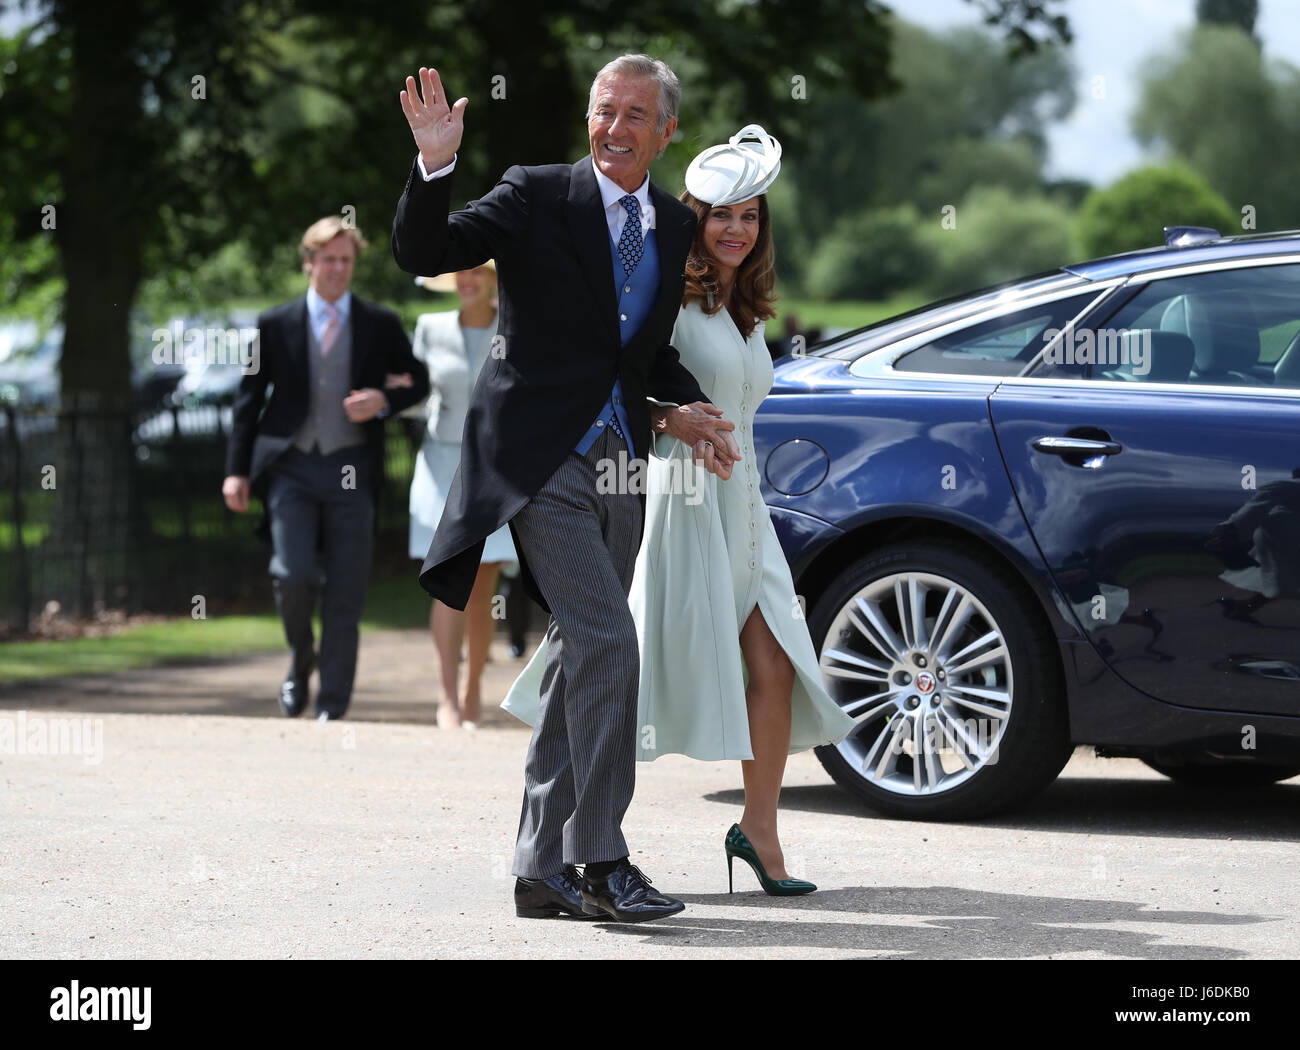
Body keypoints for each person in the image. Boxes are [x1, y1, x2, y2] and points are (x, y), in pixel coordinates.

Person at [392, 55, 741, 923]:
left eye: (635, 116)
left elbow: (639, 352)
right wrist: (435, 166)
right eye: (603, 110)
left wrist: (684, 405)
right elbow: (424, 250)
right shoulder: (535, 194)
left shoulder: (668, 223)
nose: (614, 128)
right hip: (536, 458)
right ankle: (600, 861)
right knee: (609, 638)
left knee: (579, 653)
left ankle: (538, 866)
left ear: (665, 132)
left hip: (622, 462)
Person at [504, 125, 856, 894]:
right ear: (693, 216)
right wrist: (668, 421)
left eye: (752, 216)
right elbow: (622, 379)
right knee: (624, 668)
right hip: (674, 497)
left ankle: (758, 833)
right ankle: (572, 845)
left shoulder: (750, 309)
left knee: (774, 663)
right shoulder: (665, 289)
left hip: (745, 506)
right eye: (722, 214)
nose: (736, 229)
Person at [222, 216, 430, 720]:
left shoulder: (379, 323)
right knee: (292, 575)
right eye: (329, 259)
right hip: (290, 467)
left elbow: (418, 382)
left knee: (346, 587)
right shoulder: (274, 324)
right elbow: (248, 401)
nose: (338, 269)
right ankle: (300, 660)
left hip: (352, 469)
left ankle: (332, 704)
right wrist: (237, 470)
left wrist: (383, 398)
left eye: (346, 260)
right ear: (309, 262)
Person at [406, 263, 518, 730]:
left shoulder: (514, 326)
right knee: (445, 579)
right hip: (439, 466)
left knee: (482, 586)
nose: (467, 280)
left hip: (493, 468)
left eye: (477, 271)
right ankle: (447, 699)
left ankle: (473, 690)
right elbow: (414, 395)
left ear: (494, 278)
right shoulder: (429, 328)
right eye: (460, 273)